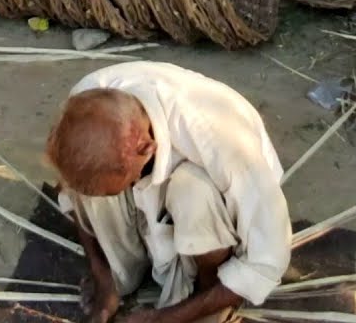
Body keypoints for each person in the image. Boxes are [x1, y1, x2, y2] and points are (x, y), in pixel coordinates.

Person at [45, 61, 292, 323]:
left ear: (145, 148)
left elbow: (267, 260)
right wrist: (101, 273)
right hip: (145, 200)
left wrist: (163, 319)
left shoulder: (222, 142)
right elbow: (72, 190)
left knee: (193, 189)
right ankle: (118, 278)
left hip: (211, 223)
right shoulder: (86, 103)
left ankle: (202, 297)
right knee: (86, 180)